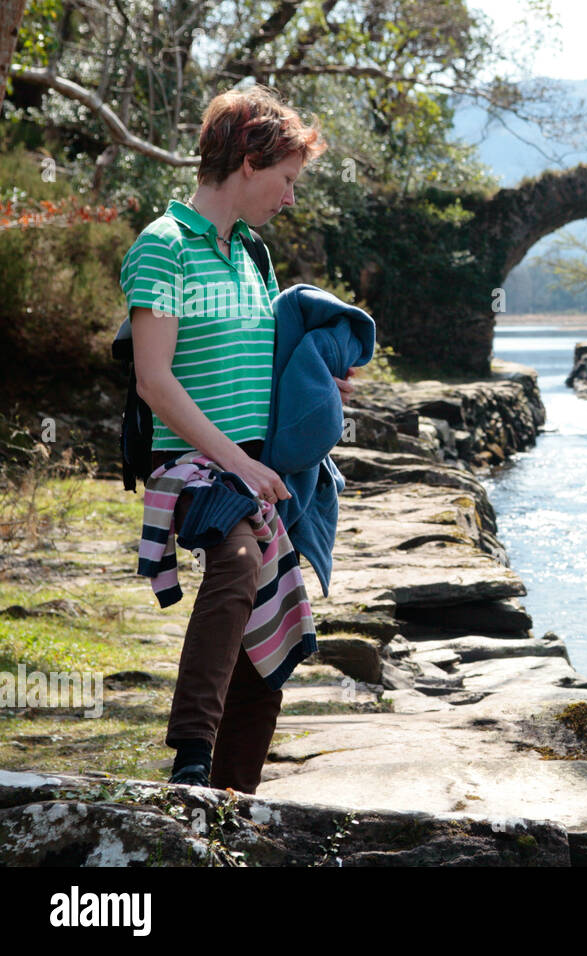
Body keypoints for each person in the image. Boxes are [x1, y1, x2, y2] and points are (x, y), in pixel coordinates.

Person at [119, 83, 352, 792]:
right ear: (250, 161)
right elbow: (154, 381)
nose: (289, 199)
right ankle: (191, 753)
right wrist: (237, 469)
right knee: (238, 556)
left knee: (270, 647)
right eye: (286, 180)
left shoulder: (253, 254)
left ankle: (231, 805)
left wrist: (323, 389)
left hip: (255, 467)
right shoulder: (163, 248)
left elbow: (267, 366)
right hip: (192, 465)